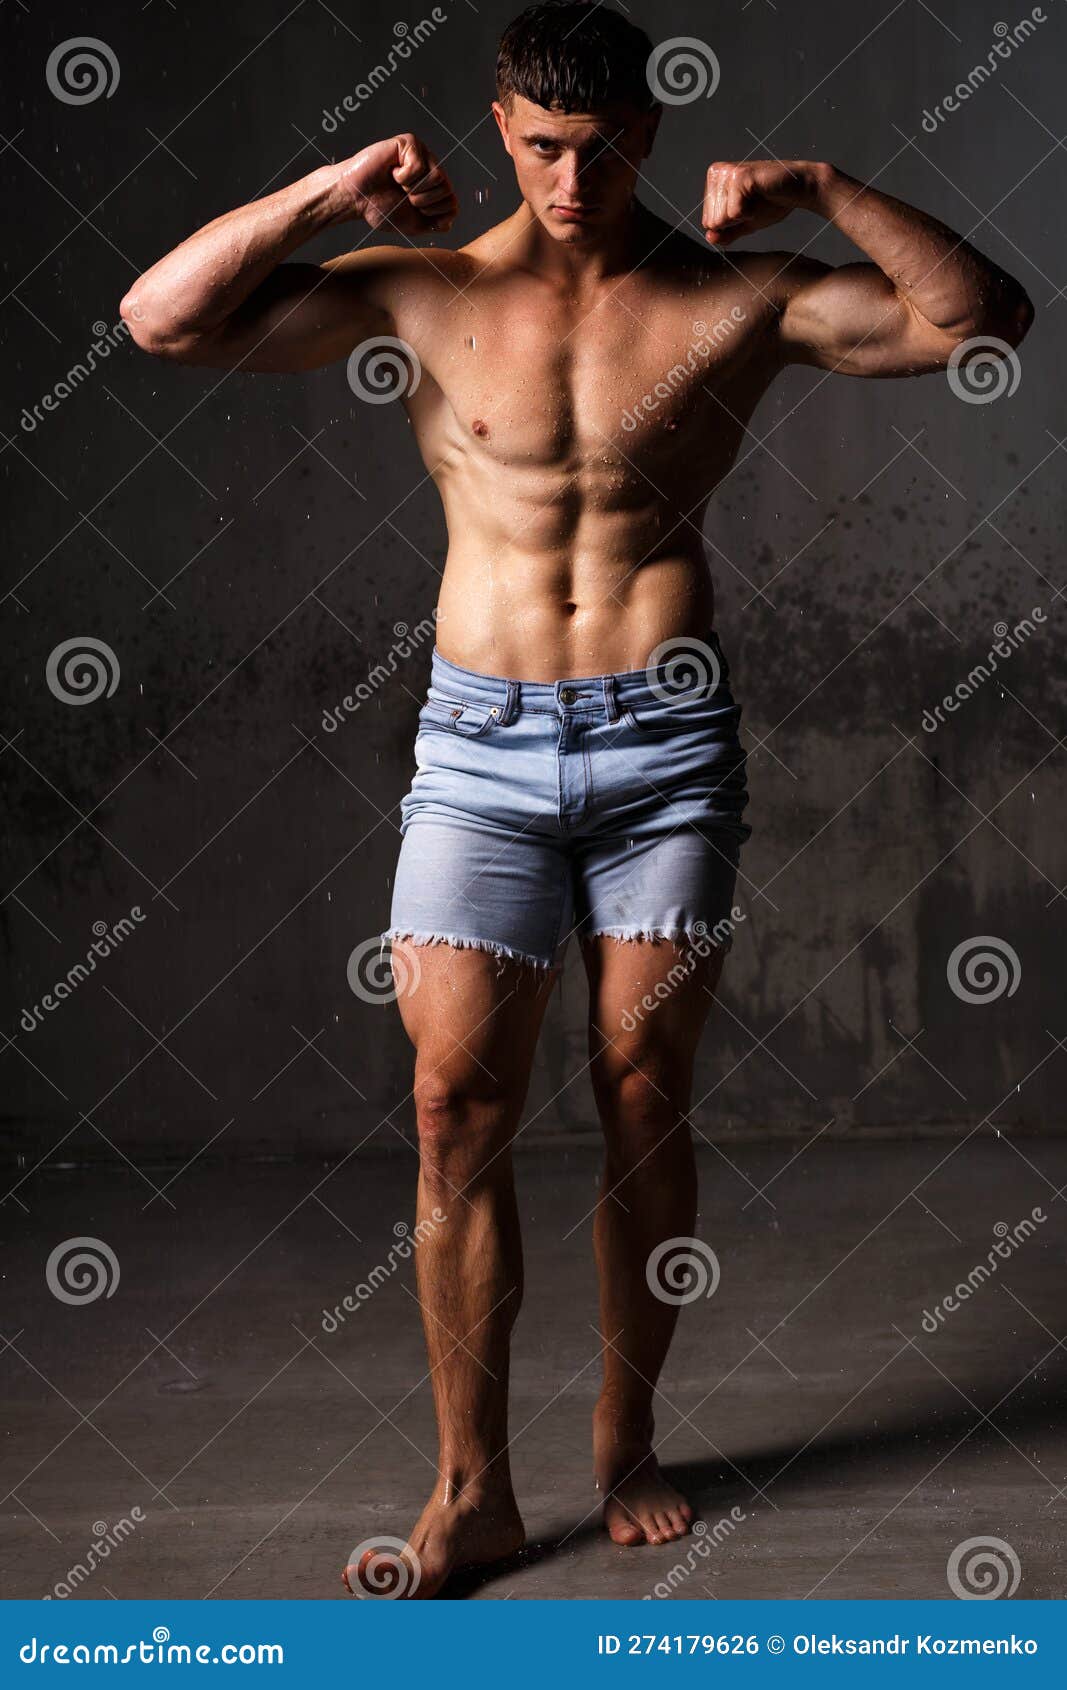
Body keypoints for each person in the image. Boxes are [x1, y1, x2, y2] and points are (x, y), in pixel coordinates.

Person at [120, 0, 1032, 1599]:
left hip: (664, 746)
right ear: (497, 132)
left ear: (650, 133)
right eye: (540, 144)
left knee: (639, 1092)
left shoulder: (736, 296)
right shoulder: (422, 288)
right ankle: (473, 1485)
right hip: (476, 750)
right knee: (451, 1105)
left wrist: (824, 182)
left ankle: (625, 1435)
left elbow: (981, 321)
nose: (569, 173)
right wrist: (333, 191)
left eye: (601, 144)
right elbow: (159, 319)